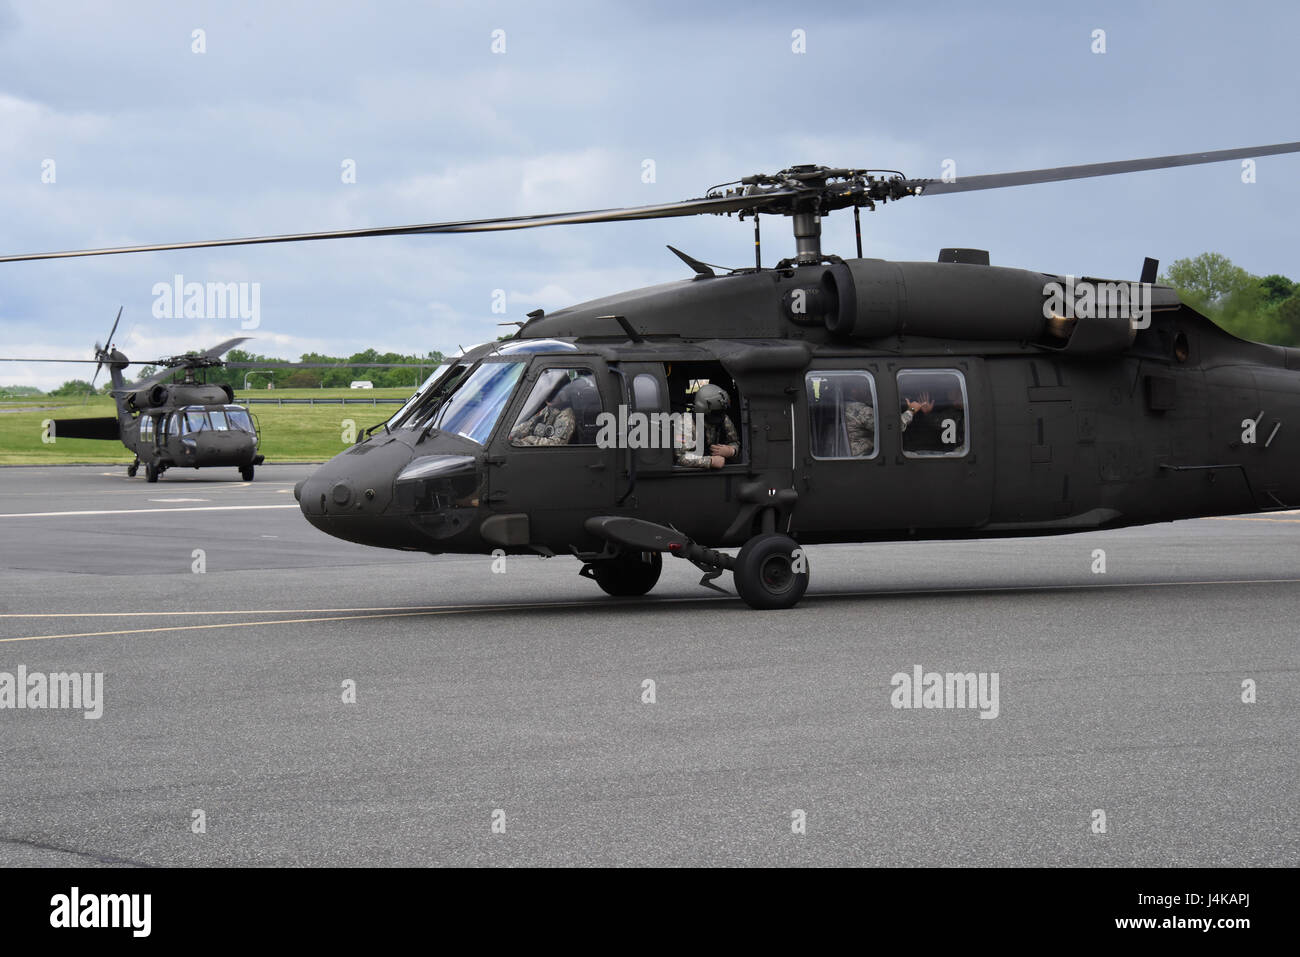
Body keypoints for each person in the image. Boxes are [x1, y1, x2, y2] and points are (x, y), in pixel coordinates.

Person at [675, 383, 740, 469]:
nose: (719, 416)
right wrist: (710, 461)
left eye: (720, 411)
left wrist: (731, 451)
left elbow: (735, 442)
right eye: (715, 412)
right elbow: (681, 457)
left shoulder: (723, 418)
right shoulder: (686, 422)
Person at [509, 380, 577, 446]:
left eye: (553, 394)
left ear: (563, 395)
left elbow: (556, 444)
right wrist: (513, 434)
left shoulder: (566, 416)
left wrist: (529, 440)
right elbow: (529, 425)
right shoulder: (548, 409)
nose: (548, 397)